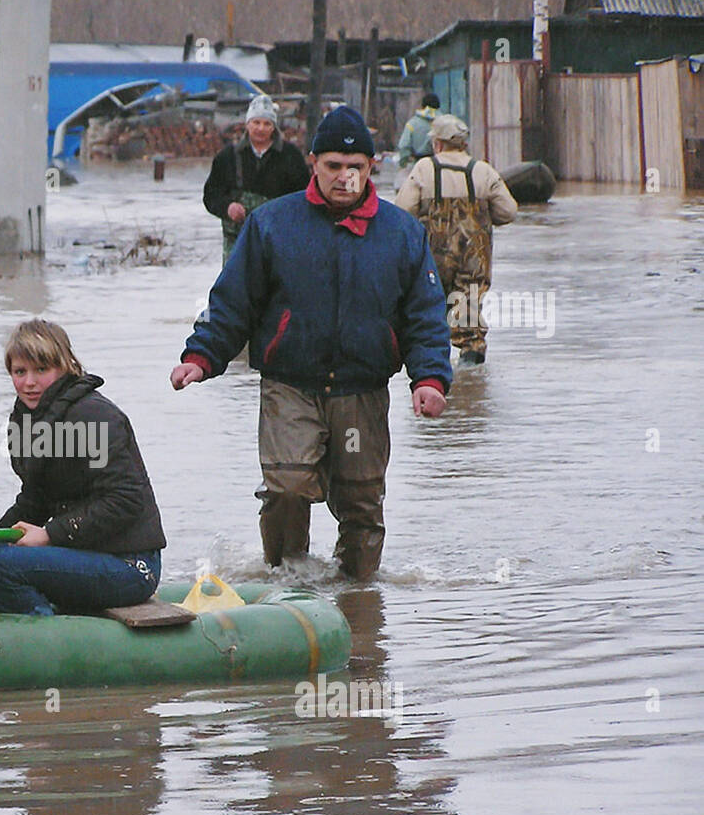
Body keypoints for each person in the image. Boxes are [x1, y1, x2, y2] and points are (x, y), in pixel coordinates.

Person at [170, 105, 452, 580]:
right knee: (287, 489)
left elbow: (425, 315)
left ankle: (359, 603)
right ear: (314, 164)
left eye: (356, 167)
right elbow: (234, 301)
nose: (346, 177)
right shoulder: (273, 224)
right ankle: (288, 586)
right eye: (334, 167)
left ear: (371, 168)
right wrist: (202, 356)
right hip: (290, 386)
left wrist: (429, 379)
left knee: (362, 503)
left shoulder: (402, 232)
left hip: (361, 391)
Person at [0, 319, 165, 615]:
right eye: (19, 372)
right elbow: (33, 501)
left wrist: (50, 534)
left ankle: (43, 638)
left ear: (66, 366)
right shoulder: (25, 422)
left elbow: (125, 501)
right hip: (78, 552)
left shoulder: (94, 417)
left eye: (41, 370)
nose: (29, 382)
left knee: (3, 567)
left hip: (129, 565)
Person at [395, 113, 518, 364]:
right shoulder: (484, 171)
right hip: (475, 259)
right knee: (468, 312)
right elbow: (508, 211)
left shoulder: (424, 169)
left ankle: (432, 370)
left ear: (437, 143)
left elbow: (402, 211)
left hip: (433, 259)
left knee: (428, 310)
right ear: (464, 144)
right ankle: (471, 375)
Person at [203, 95, 310, 263]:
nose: (261, 128)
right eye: (256, 122)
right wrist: (228, 207)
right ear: (247, 124)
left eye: (267, 124)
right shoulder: (227, 157)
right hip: (236, 243)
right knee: (234, 288)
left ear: (274, 127)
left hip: (277, 242)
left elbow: (304, 199)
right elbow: (211, 195)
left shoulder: (291, 156)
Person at [396, 92, 441, 169]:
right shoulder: (445, 122)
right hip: (440, 165)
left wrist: (403, 163)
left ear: (422, 106)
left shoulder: (412, 123)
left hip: (418, 165)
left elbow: (404, 146)